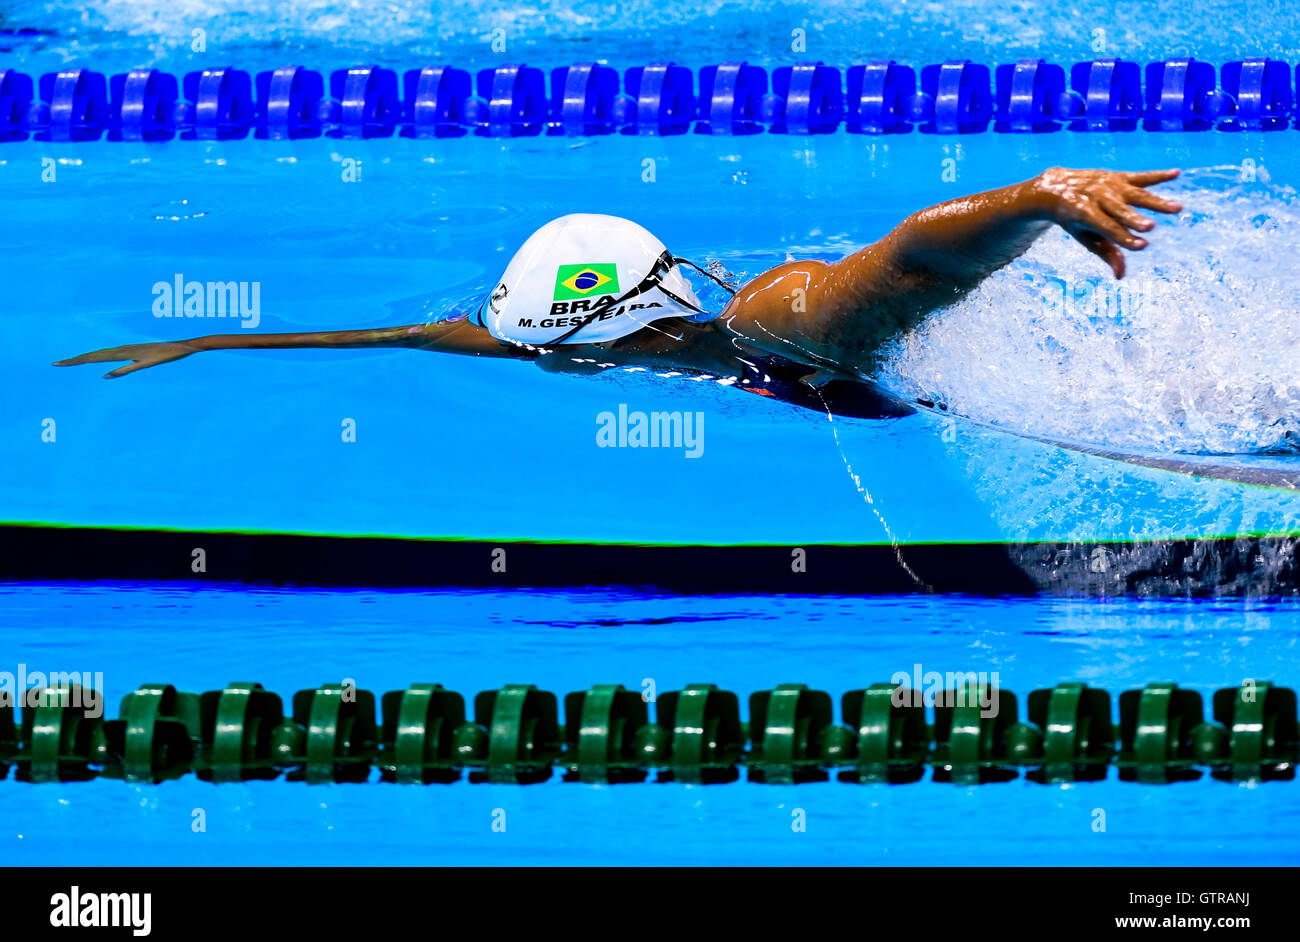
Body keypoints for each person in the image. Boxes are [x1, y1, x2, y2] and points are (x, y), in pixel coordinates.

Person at [56, 166, 1182, 417]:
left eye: (547, 349)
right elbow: (411, 334)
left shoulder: (769, 316)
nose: (534, 357)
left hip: (1070, 373)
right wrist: (205, 347)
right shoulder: (597, 334)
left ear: (596, 336)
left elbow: (907, 262)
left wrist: (1038, 197)